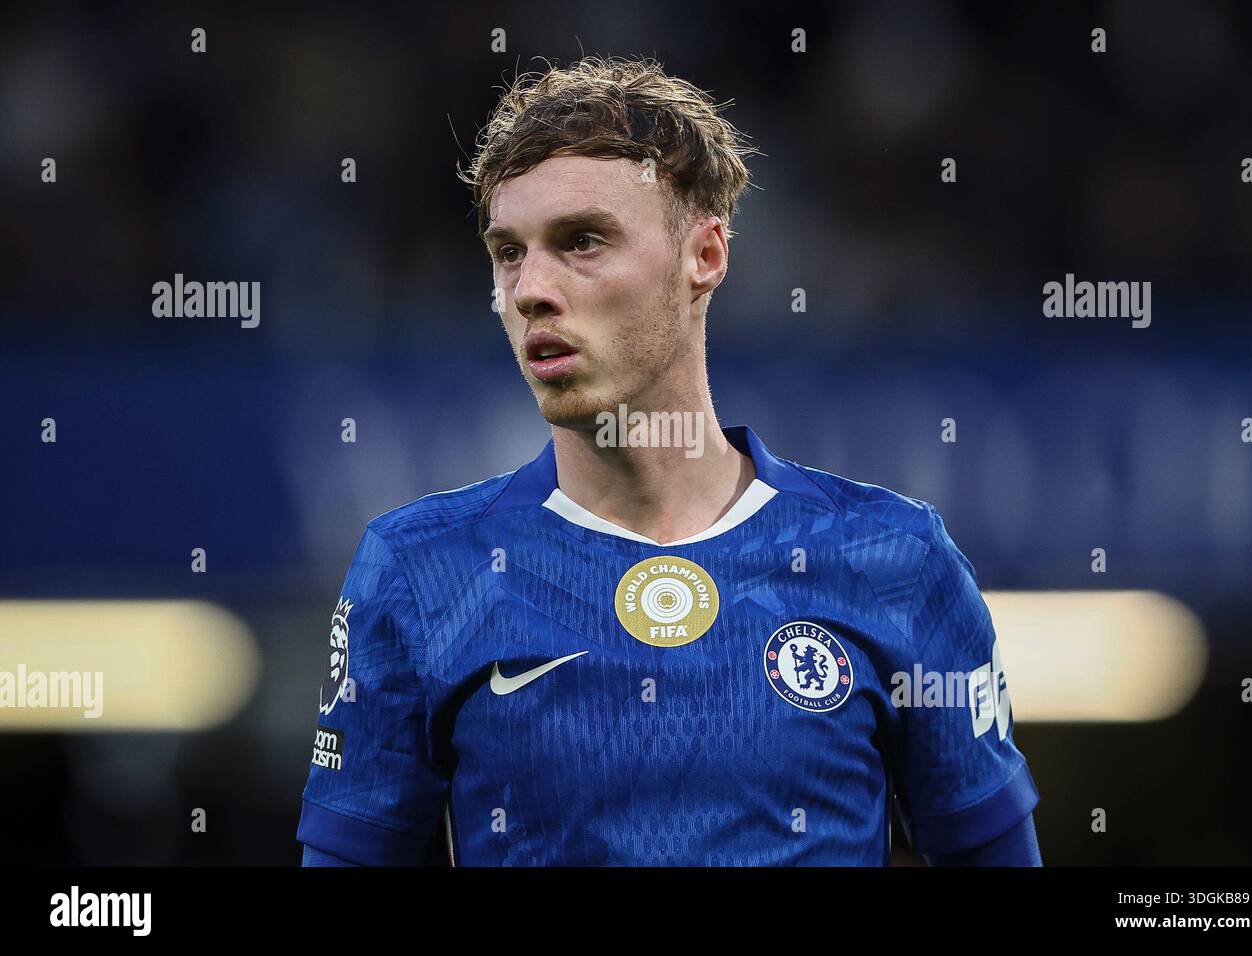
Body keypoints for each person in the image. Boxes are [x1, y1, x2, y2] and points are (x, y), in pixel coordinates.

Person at [297, 55, 1041, 866]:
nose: (530, 290)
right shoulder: (417, 570)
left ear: (705, 256)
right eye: (509, 252)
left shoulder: (895, 558)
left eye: (581, 241)